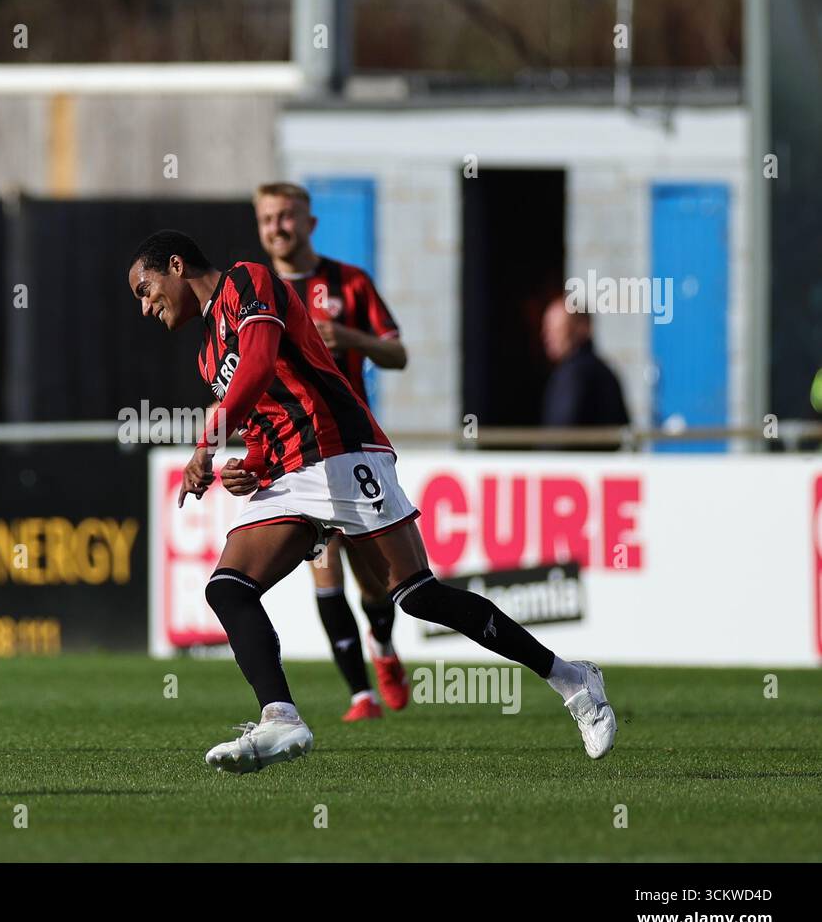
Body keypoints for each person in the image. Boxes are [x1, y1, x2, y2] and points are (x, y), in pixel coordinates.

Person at [128, 229, 616, 773]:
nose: (145, 307)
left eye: (145, 290)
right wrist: (254, 466)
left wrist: (206, 445)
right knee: (228, 588)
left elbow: (261, 363)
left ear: (175, 265)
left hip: (342, 449)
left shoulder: (249, 279)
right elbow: (266, 419)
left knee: (419, 596)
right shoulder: (205, 354)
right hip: (292, 471)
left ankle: (572, 679)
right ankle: (281, 717)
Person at [254, 181, 409, 721]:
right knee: (322, 566)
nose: (278, 227)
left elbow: (398, 353)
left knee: (377, 580)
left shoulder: (348, 282)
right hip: (299, 453)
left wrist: (351, 338)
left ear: (310, 223)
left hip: (352, 445)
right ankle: (359, 695)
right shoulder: (256, 291)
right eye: (268, 218)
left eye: (287, 217)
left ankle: (384, 647)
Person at [541, 297, 630, 437]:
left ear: (582, 328)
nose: (548, 337)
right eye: (547, 329)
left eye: (557, 329)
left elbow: (560, 435)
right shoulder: (604, 371)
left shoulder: (575, 374)